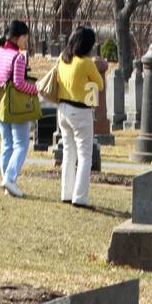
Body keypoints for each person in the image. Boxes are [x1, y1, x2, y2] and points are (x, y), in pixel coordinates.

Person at [54, 27, 104, 208]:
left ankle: (66, 193)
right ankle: (80, 197)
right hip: (80, 112)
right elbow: (99, 83)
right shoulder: (86, 63)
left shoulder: (62, 58)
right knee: (85, 156)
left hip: (63, 110)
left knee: (68, 153)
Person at [0, 20, 38, 198]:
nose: (26, 41)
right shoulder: (18, 57)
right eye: (25, 38)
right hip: (16, 108)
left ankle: (6, 181)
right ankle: (10, 179)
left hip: (0, 106)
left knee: (6, 144)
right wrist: (36, 89)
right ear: (17, 38)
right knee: (22, 144)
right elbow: (19, 84)